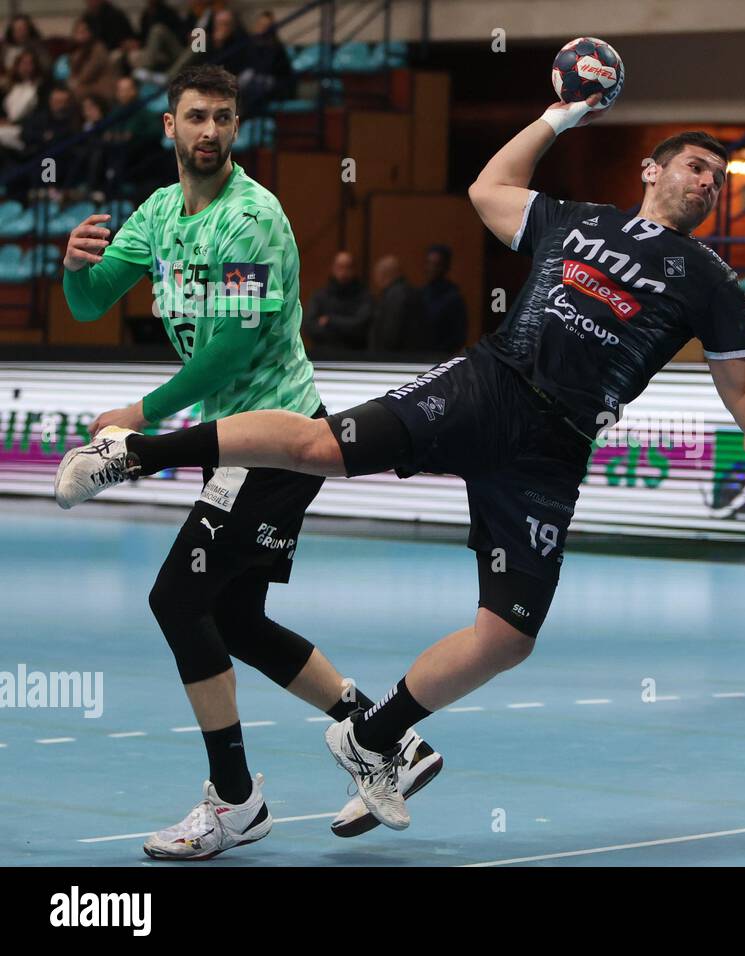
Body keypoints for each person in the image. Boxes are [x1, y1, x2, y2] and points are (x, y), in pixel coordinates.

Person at [54, 93, 745, 831]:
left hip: (555, 448)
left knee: (509, 633)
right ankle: (136, 455)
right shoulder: (581, 221)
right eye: (698, 166)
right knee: (322, 450)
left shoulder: (708, 279)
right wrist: (561, 115)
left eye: (719, 178)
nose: (708, 183)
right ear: (652, 169)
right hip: (490, 383)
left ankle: (372, 736)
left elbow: (741, 386)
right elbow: (489, 190)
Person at [54, 64, 439, 859]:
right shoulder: (160, 213)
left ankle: (234, 800)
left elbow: (227, 357)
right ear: (168, 126)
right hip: (235, 442)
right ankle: (385, 737)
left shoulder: (250, 217)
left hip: (276, 438)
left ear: (236, 127)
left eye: (224, 118)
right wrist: (73, 268)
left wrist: (142, 417)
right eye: (195, 116)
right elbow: (92, 304)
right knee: (235, 618)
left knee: (175, 599)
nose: (209, 131)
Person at [305, 250, 374, 350]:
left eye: (348, 267)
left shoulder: (364, 297)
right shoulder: (320, 296)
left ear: (354, 269)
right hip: (324, 354)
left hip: (355, 355)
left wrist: (329, 321)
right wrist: (344, 328)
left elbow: (360, 327)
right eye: (340, 267)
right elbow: (309, 327)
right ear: (333, 268)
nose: (344, 272)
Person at [368, 254, 428, 352]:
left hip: (395, 357)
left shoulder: (395, 296)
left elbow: (390, 334)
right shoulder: (409, 291)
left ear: (383, 274)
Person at [421, 243, 468, 354]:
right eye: (428, 263)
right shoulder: (421, 293)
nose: (431, 268)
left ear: (445, 267)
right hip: (418, 356)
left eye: (436, 264)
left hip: (440, 357)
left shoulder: (453, 298)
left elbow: (458, 337)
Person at [67, 16, 117, 104]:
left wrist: (74, 83)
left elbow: (88, 73)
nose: (79, 34)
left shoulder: (98, 48)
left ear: (91, 32)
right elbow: (73, 74)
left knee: (75, 93)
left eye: (83, 31)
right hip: (87, 86)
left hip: (103, 87)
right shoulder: (77, 51)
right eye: (77, 31)